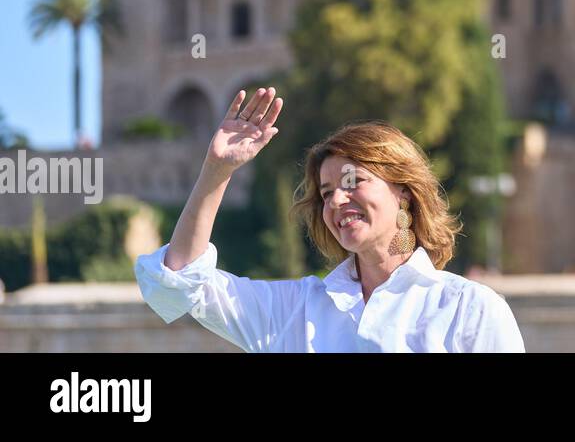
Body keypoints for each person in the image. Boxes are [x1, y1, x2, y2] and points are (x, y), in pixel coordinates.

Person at [135, 87, 525, 352]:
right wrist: (217, 171)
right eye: (325, 193)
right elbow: (180, 283)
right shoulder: (294, 309)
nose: (337, 199)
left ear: (403, 191)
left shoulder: (469, 309)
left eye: (353, 181)